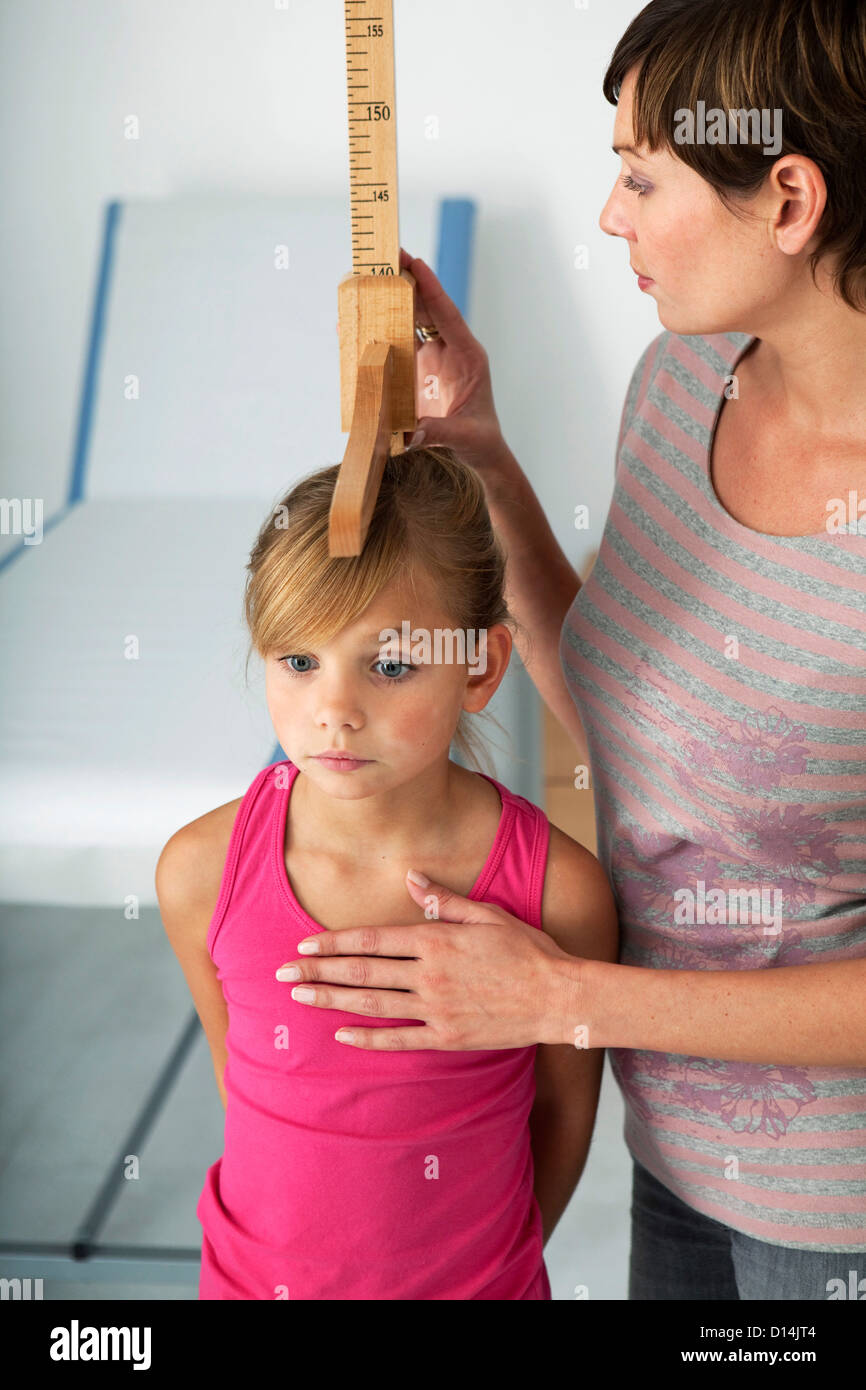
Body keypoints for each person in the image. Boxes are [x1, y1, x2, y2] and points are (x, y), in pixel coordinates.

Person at [278, 0, 866, 1300]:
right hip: (670, 1152)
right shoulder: (682, 380)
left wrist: (563, 1004)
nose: (611, 215)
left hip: (835, 1217)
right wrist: (481, 446)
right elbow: (615, 695)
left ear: (787, 198)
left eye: (641, 176)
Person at [155, 447, 619, 1300]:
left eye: (392, 663)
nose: (334, 709)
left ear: (478, 667)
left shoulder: (559, 893)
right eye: (300, 662)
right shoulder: (200, 871)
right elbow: (245, 1086)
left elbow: (562, 1121)